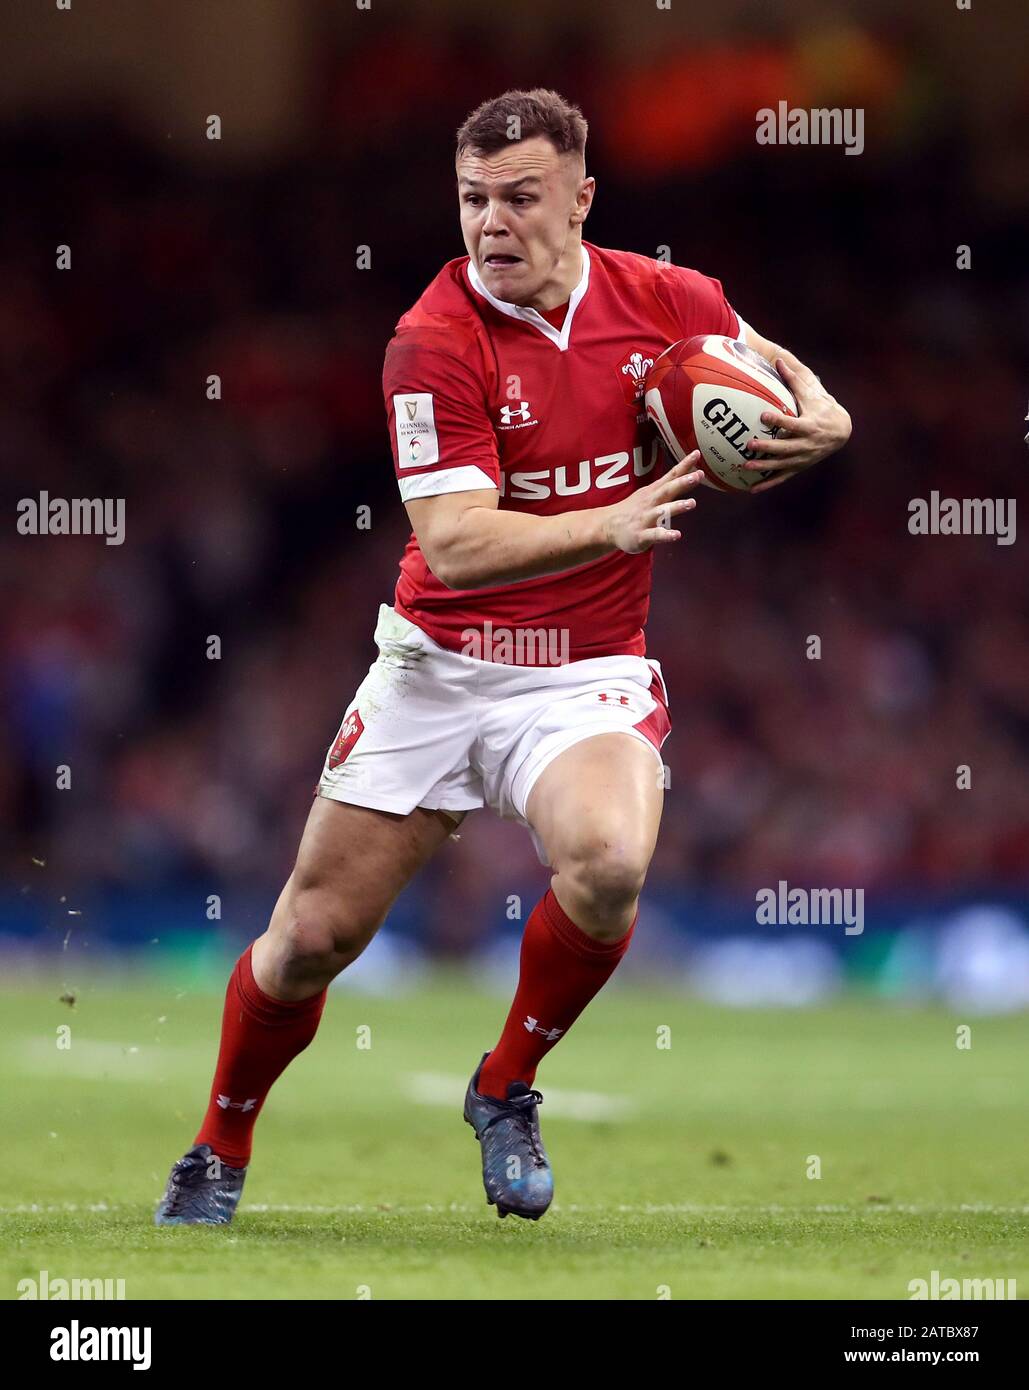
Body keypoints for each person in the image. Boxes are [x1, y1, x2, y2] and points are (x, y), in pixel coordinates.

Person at [155, 87, 851, 1226]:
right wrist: (609, 523)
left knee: (612, 864)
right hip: (441, 666)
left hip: (583, 671)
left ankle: (503, 1087)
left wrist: (828, 417)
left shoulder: (672, 301)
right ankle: (218, 1141)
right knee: (307, 943)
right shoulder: (432, 342)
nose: (492, 224)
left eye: (521, 198)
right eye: (474, 199)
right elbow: (457, 542)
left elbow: (775, 368)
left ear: (581, 200)